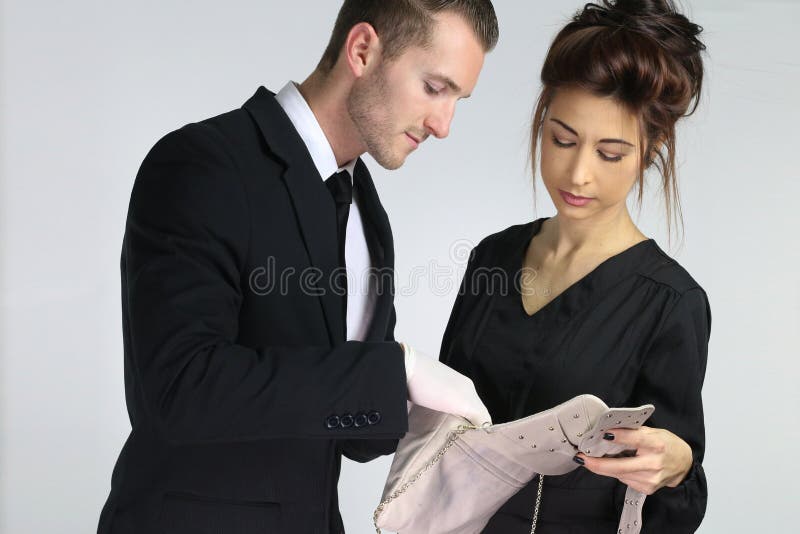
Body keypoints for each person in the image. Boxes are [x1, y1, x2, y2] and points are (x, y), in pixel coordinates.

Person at [97, 2, 498, 533]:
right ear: (362, 50)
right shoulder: (203, 163)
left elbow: (350, 435)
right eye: (434, 88)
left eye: (457, 100)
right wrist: (394, 370)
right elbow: (180, 389)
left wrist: (414, 412)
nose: (443, 125)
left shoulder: (368, 211)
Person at [439, 1, 710, 532]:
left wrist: (677, 468)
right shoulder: (493, 257)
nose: (578, 172)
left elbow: (675, 499)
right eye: (562, 139)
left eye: (609, 154)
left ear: (650, 149)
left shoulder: (669, 303)